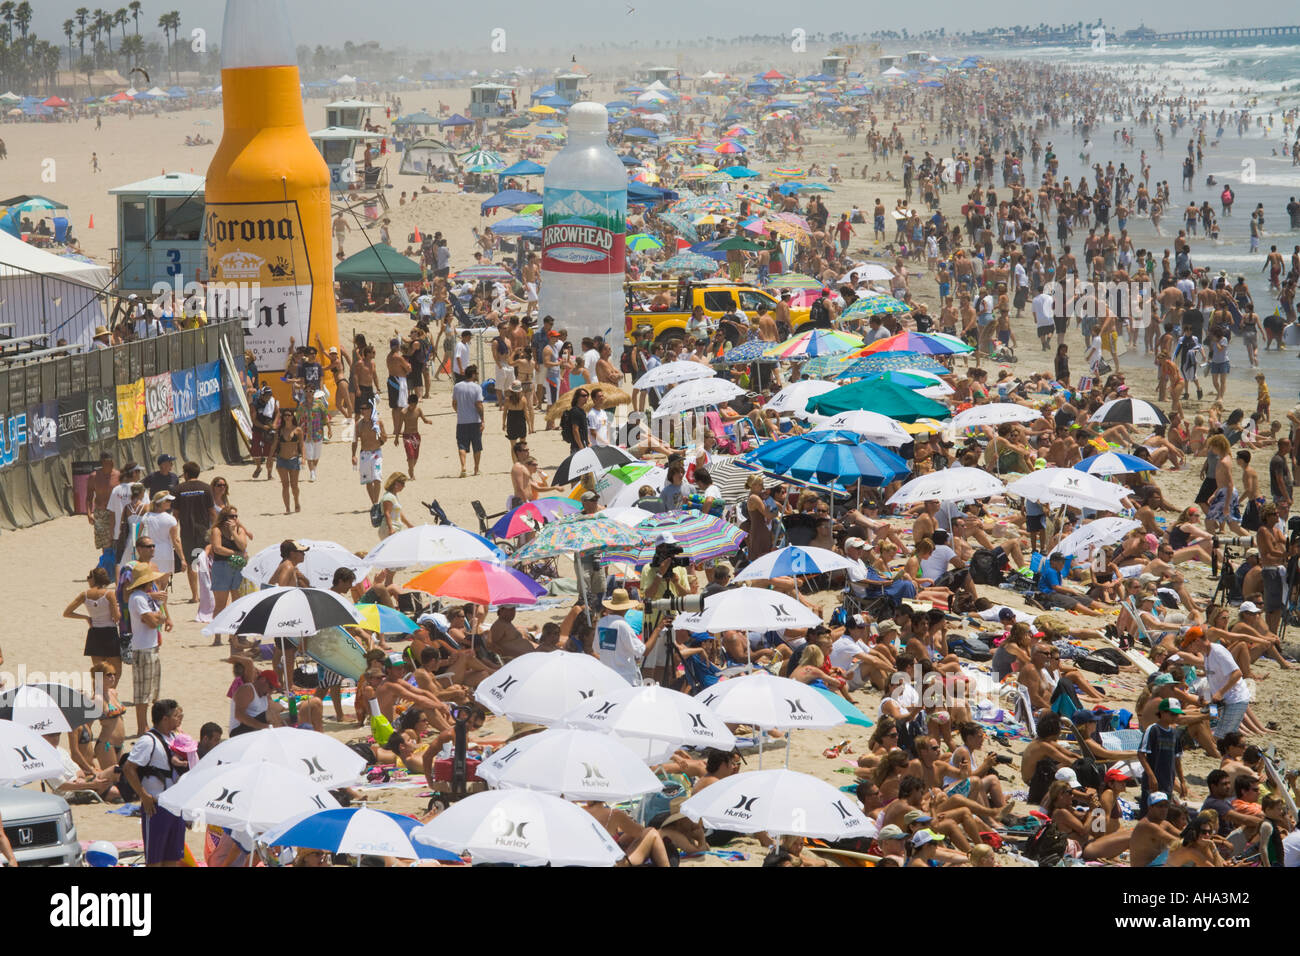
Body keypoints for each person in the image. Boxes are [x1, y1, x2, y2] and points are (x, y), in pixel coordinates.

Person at [120, 699, 188, 867]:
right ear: (165, 719)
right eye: (176, 715)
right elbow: (129, 768)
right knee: (155, 860)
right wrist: (144, 795)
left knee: (173, 858)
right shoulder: (148, 741)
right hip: (156, 807)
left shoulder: (174, 738)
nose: (180, 718)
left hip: (175, 806)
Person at [62, 567, 121, 675]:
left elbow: (67, 613)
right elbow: (116, 617)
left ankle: (100, 692)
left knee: (99, 674)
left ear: (94, 578)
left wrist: (86, 617)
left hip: (94, 634)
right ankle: (109, 692)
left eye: (89, 577)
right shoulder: (109, 594)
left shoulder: (84, 595)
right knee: (115, 672)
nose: (88, 579)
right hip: (110, 633)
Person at [172, 462, 213, 603]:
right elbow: (212, 512)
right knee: (206, 562)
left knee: (191, 564)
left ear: (186, 474)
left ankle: (195, 596)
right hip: (204, 530)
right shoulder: (206, 488)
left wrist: (173, 532)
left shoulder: (178, 490)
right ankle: (208, 593)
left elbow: (175, 515)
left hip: (187, 531)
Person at [596, 588, 648, 684]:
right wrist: (658, 629)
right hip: (625, 677)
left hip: (607, 677)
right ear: (626, 608)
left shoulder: (601, 623)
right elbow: (642, 651)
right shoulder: (623, 625)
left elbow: (597, 649)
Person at [208, 506, 249, 624]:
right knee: (220, 605)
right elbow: (217, 548)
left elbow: (243, 546)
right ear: (224, 517)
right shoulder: (217, 530)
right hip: (221, 567)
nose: (234, 518)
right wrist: (236, 553)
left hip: (237, 568)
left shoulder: (239, 530)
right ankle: (217, 636)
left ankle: (235, 635)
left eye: (236, 516)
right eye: (232, 516)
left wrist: (233, 532)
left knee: (237, 603)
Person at [139, 491, 184, 592]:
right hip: (165, 553)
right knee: (163, 586)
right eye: (168, 501)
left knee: (152, 584)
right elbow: (176, 540)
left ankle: (156, 606)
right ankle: (162, 606)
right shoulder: (170, 519)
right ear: (162, 502)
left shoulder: (146, 517)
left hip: (149, 552)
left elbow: (139, 537)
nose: (170, 503)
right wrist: (182, 559)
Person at [452, 364, 485, 477]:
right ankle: (476, 469)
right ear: (473, 374)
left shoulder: (457, 386)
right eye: (476, 373)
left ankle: (463, 467)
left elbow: (454, 403)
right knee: (477, 446)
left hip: (461, 421)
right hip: (475, 421)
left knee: (462, 445)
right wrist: (483, 420)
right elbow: (479, 405)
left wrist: (459, 412)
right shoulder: (477, 387)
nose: (477, 375)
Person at [352, 397, 387, 505]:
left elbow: (385, 438)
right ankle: (374, 504)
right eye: (361, 409)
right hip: (364, 454)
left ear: (370, 409)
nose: (362, 411)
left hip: (376, 452)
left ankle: (376, 502)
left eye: (365, 408)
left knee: (377, 478)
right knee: (368, 481)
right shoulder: (359, 424)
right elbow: (355, 441)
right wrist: (353, 455)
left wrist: (380, 435)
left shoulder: (378, 422)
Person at [395, 394, 432, 479]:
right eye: (411, 404)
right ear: (408, 403)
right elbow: (399, 426)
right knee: (410, 455)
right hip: (407, 436)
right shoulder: (403, 412)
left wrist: (428, 421)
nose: (413, 406)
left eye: (415, 404)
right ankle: (412, 474)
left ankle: (410, 469)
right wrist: (396, 438)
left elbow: (424, 420)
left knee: (415, 457)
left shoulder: (418, 410)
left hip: (416, 435)